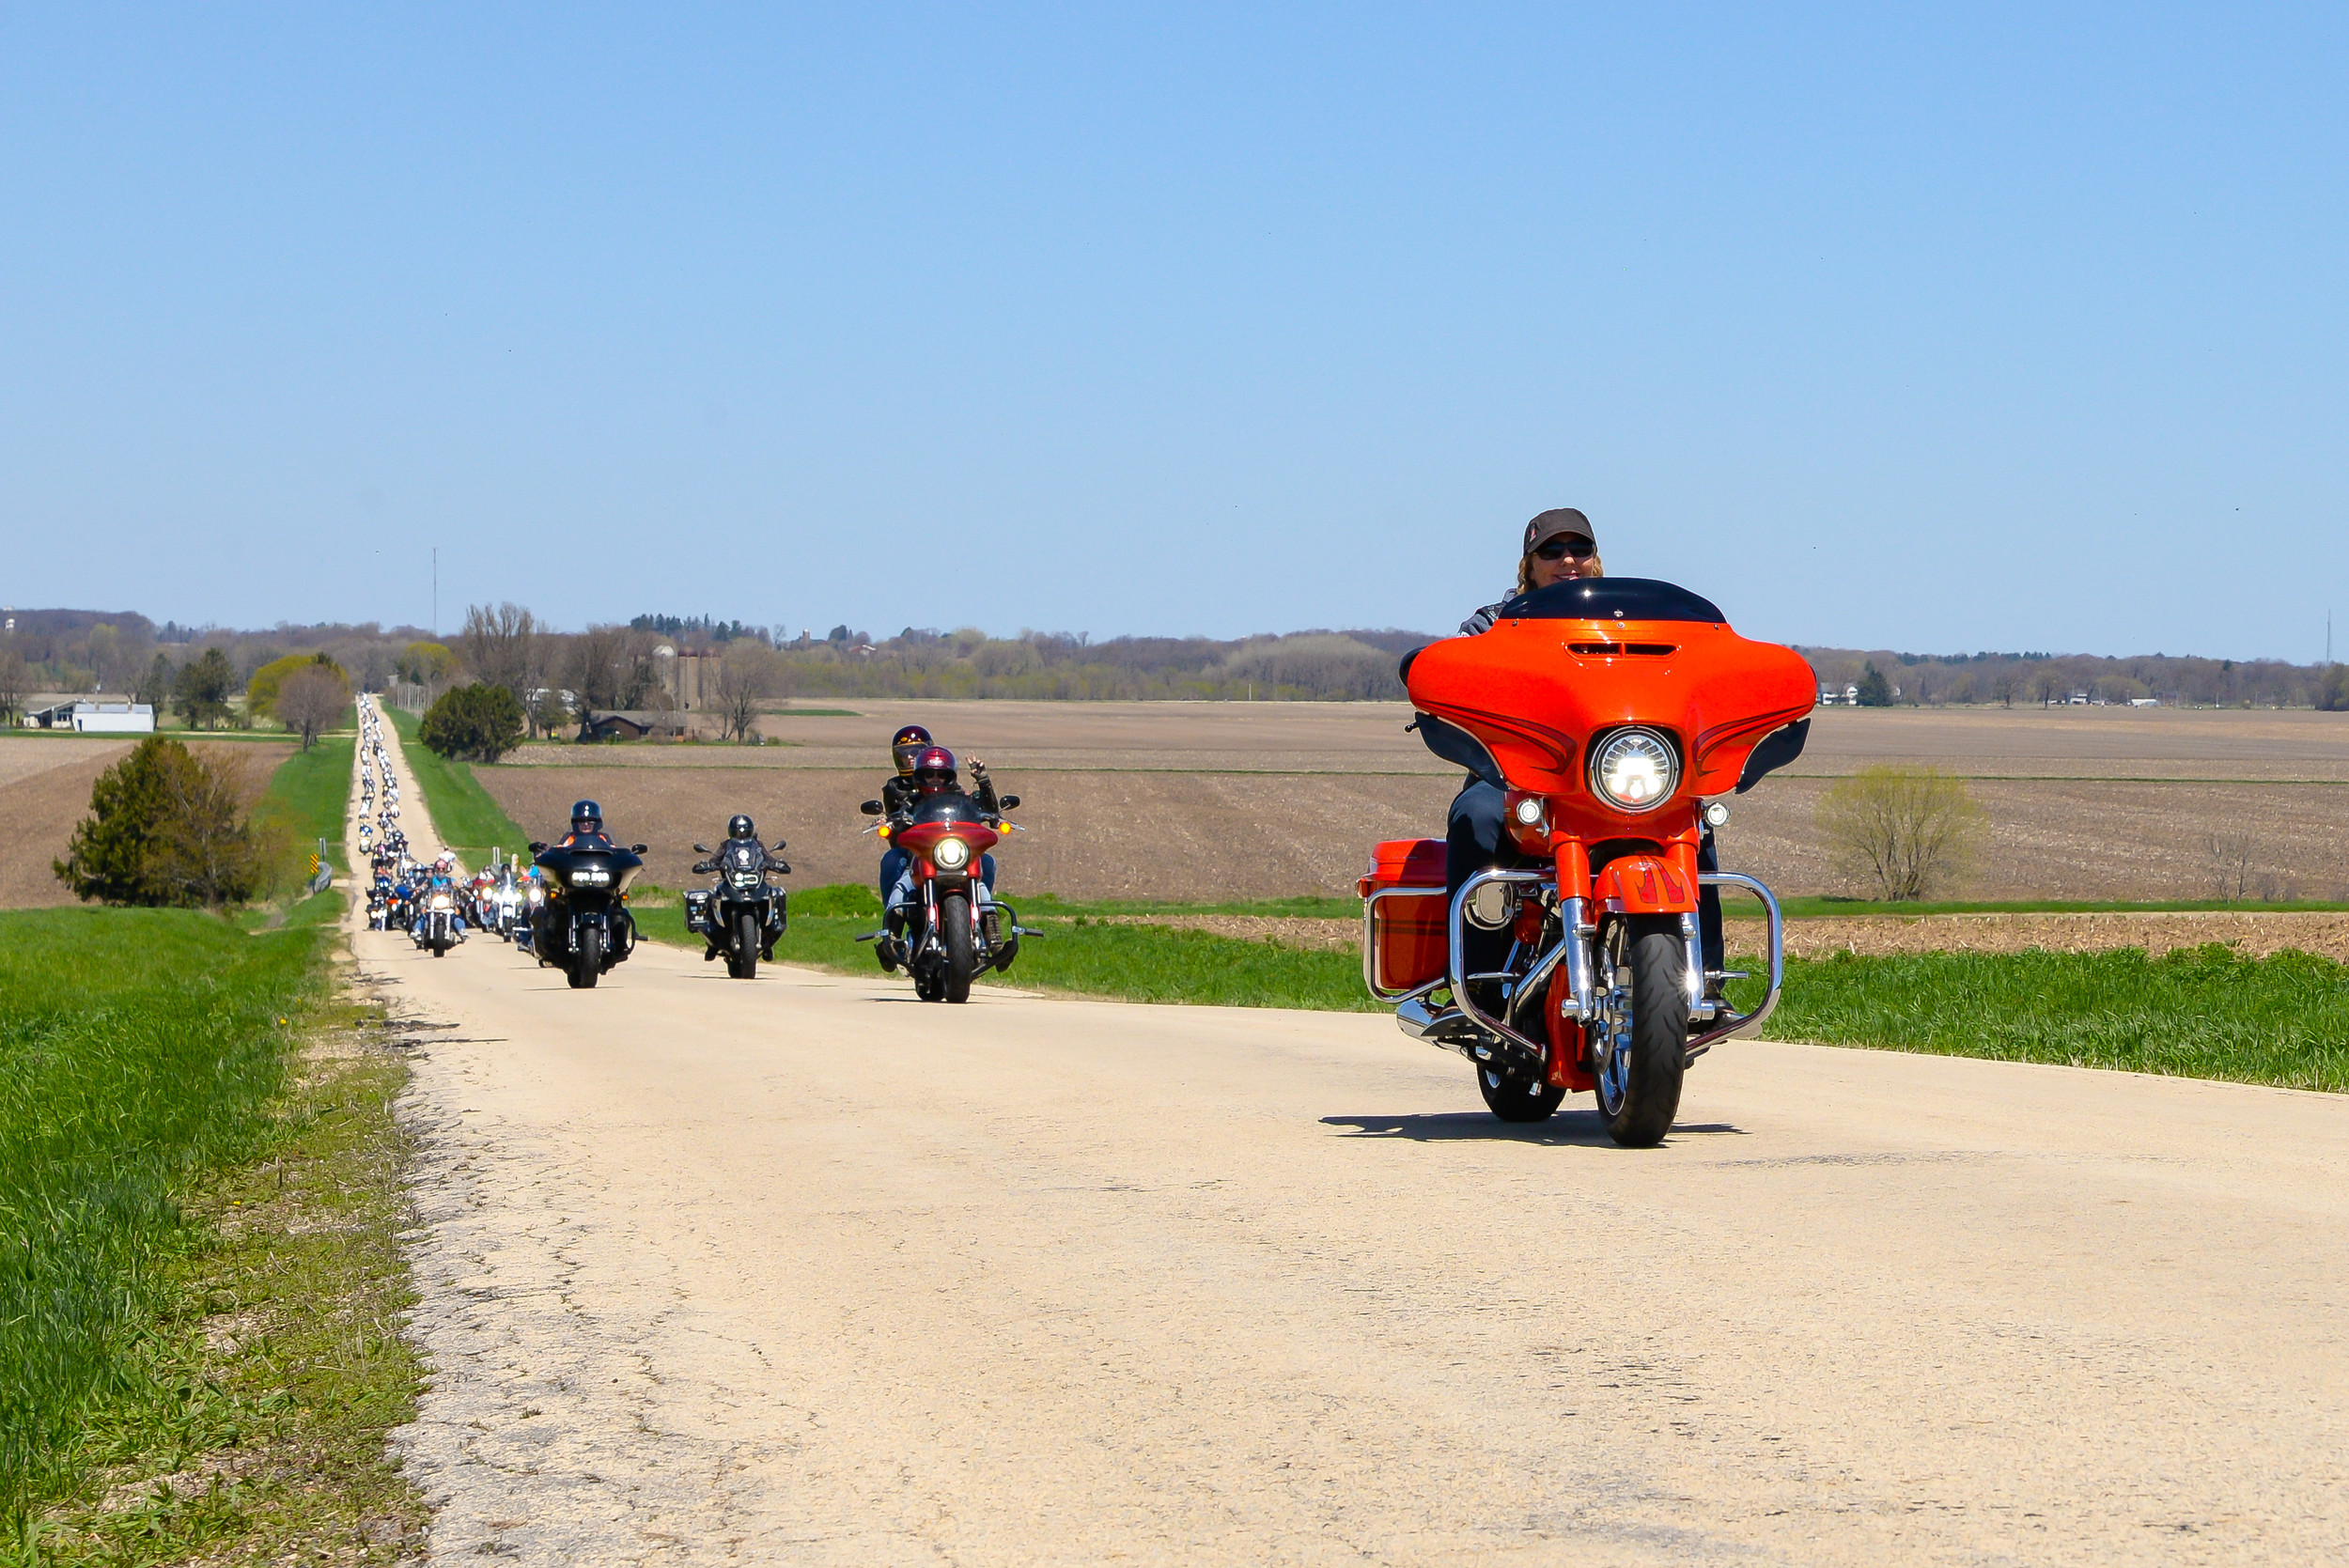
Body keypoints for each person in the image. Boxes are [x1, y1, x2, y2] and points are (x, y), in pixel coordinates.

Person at [1438, 507, 1725, 988]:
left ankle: (1706, 973)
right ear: (1528, 564)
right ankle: (1475, 979)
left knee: (1694, 816)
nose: (1567, 560)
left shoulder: (1637, 628)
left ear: (1596, 559)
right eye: (1551, 551)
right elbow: (1455, 674)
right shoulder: (1491, 628)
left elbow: (1691, 675)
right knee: (1476, 816)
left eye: (1579, 548)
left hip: (1614, 777)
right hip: (1516, 777)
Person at [877, 731, 1000, 904]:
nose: (935, 779)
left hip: (958, 856)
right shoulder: (912, 800)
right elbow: (898, 819)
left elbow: (989, 809)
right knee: (899, 889)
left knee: (987, 862)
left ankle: (989, 922)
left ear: (949, 777)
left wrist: (984, 781)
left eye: (941, 775)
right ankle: (891, 929)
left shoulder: (961, 798)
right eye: (929, 775)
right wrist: (892, 823)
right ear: (921, 776)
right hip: (922, 859)